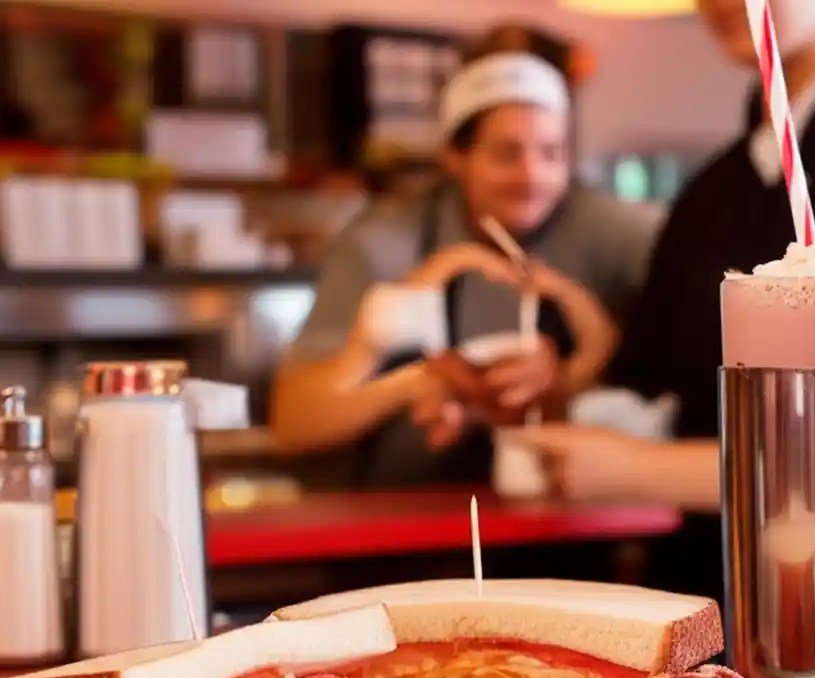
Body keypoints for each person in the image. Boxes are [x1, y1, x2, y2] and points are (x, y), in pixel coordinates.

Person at [514, 0, 815, 601]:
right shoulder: (713, 191)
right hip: (707, 595)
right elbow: (649, 378)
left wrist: (639, 470)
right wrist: (565, 377)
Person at [271, 39, 660, 486]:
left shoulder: (603, 227)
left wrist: (566, 383)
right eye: (505, 154)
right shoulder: (381, 244)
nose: (532, 175)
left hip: (555, 527)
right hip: (404, 522)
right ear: (454, 157)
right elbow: (294, 424)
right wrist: (415, 384)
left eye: (552, 153)